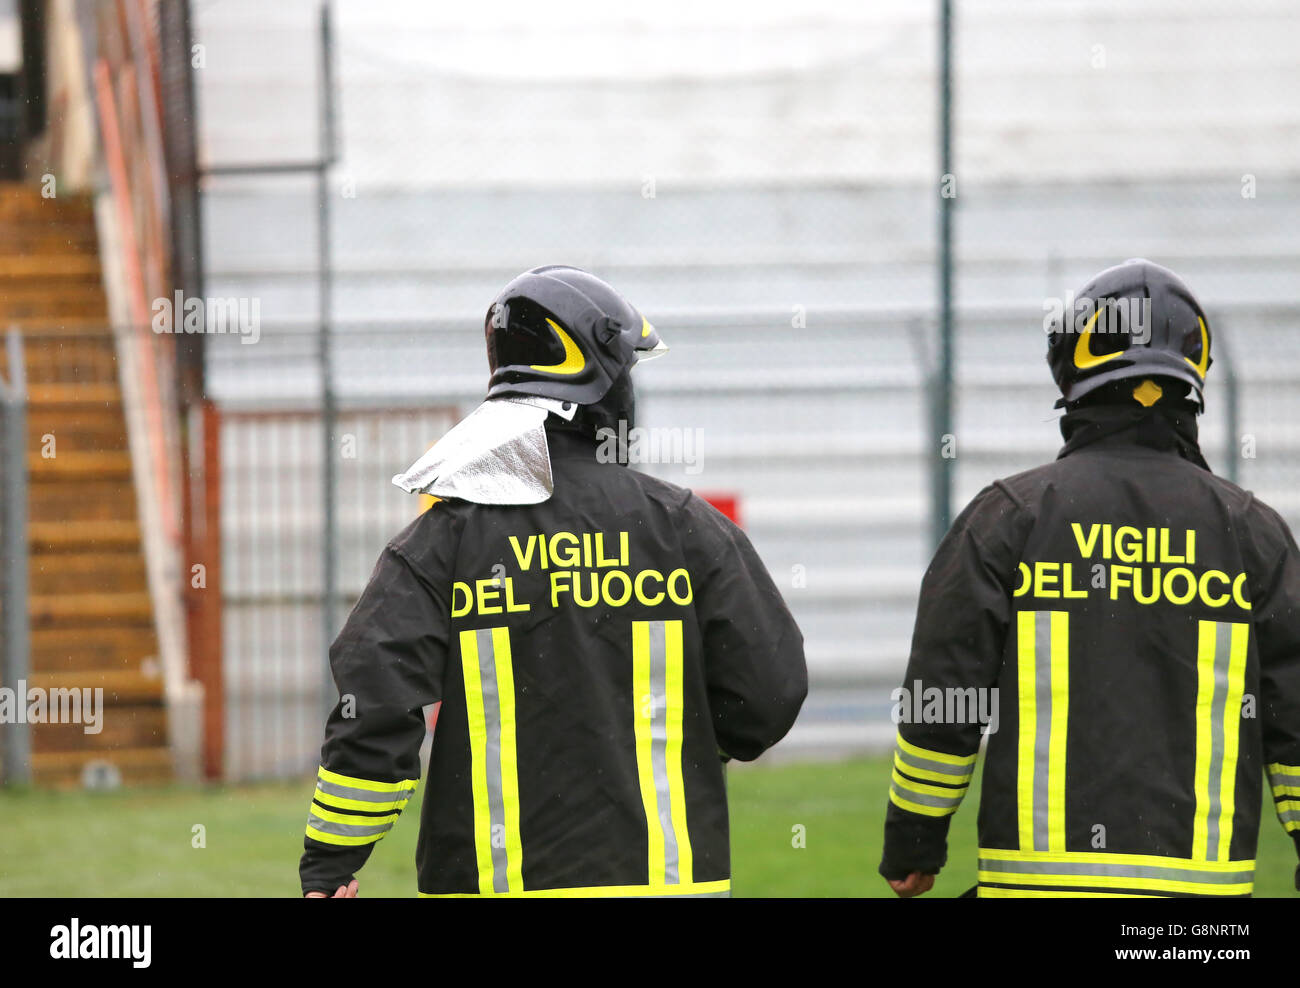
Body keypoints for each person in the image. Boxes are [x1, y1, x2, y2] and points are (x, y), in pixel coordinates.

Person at [300, 265, 807, 898]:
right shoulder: (685, 527)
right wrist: (681, 749)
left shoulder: (444, 538)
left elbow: (374, 699)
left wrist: (331, 863)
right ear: (601, 384)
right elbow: (769, 694)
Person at [879, 258, 1300, 898]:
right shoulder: (1253, 533)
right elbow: (1294, 720)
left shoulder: (1010, 517)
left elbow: (944, 691)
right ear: (1192, 379)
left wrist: (914, 840)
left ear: (1072, 377)